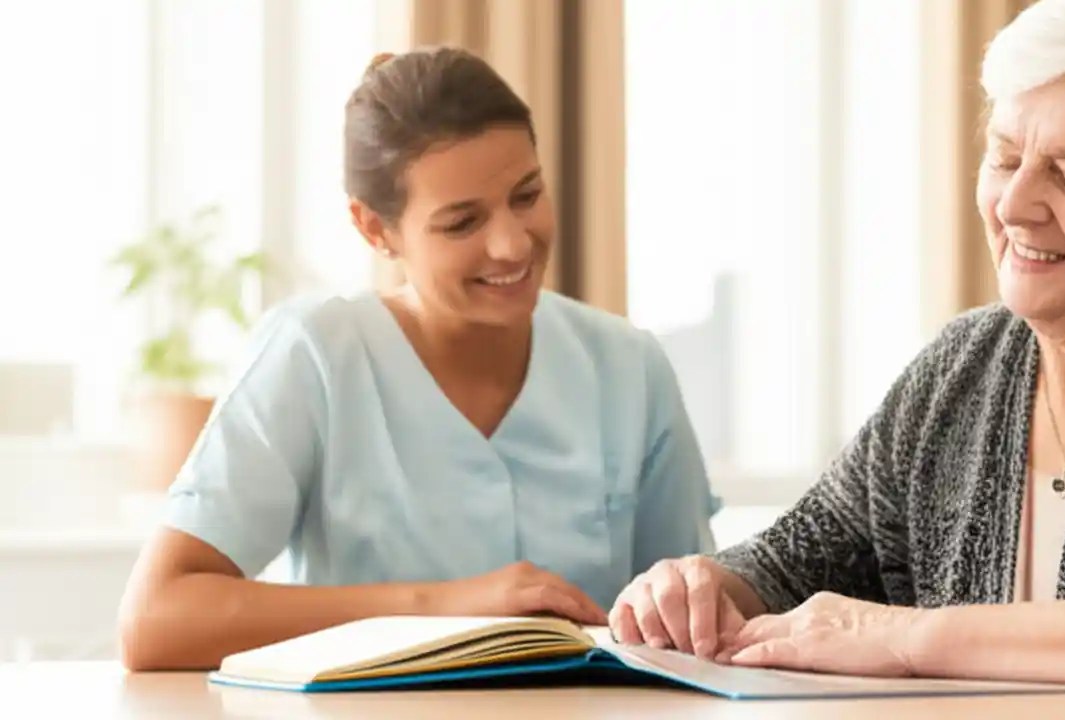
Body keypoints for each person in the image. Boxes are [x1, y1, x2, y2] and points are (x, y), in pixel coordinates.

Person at [611, 0, 1065, 689]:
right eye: (1006, 157)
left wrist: (907, 637)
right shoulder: (964, 366)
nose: (1014, 205)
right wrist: (700, 589)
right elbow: (796, 561)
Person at [118, 47, 716, 671]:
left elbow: (695, 621)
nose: (512, 244)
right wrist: (443, 605)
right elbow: (155, 619)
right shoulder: (315, 356)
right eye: (462, 223)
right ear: (375, 229)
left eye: (527, 194)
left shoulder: (629, 366)